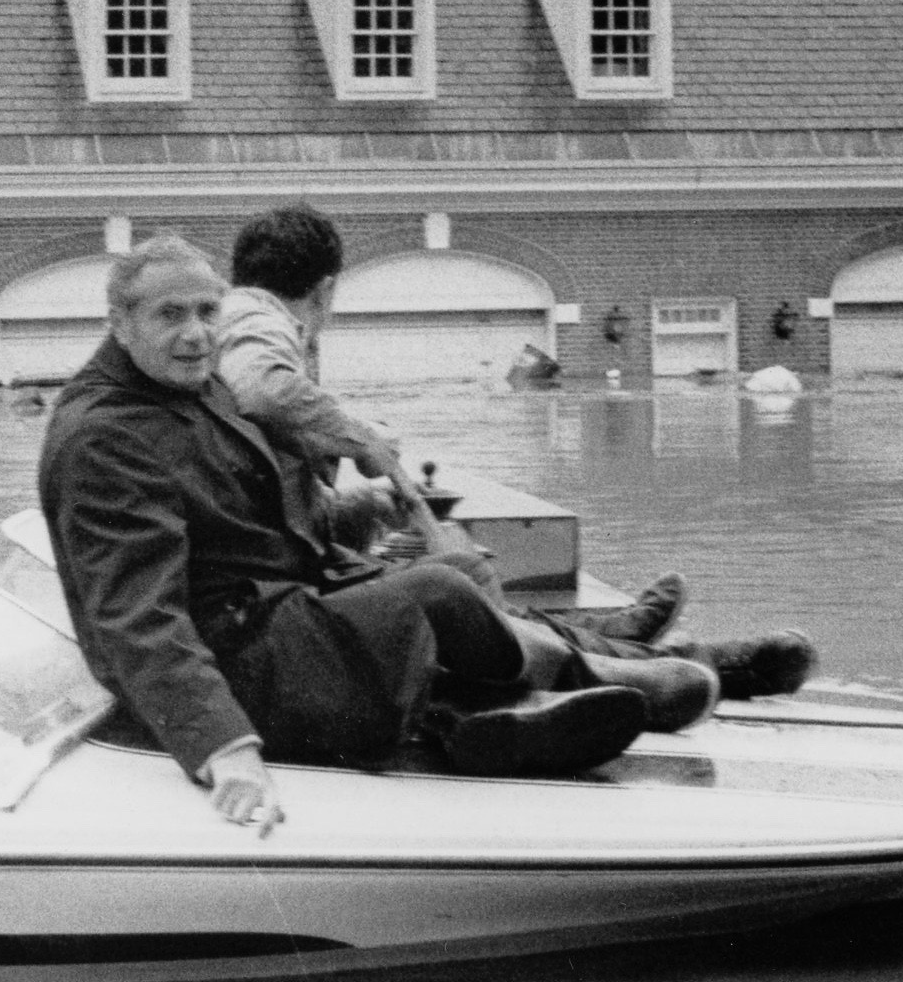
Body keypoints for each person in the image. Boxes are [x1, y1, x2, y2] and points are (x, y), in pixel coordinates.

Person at [41, 235, 653, 835]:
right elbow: (136, 615)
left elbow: (248, 524)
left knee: (460, 574)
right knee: (436, 590)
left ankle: (486, 712)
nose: (197, 333)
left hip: (263, 621)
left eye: (207, 311)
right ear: (120, 324)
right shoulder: (105, 438)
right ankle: (595, 677)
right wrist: (223, 744)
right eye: (169, 315)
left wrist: (358, 512)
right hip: (238, 662)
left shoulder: (192, 387)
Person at [214, 203, 814, 702]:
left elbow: (271, 510)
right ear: (325, 289)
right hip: (287, 613)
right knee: (461, 578)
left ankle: (625, 643)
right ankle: (683, 662)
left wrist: (367, 502)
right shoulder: (258, 318)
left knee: (465, 583)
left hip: (291, 590)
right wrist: (363, 437)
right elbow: (260, 387)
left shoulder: (236, 337)